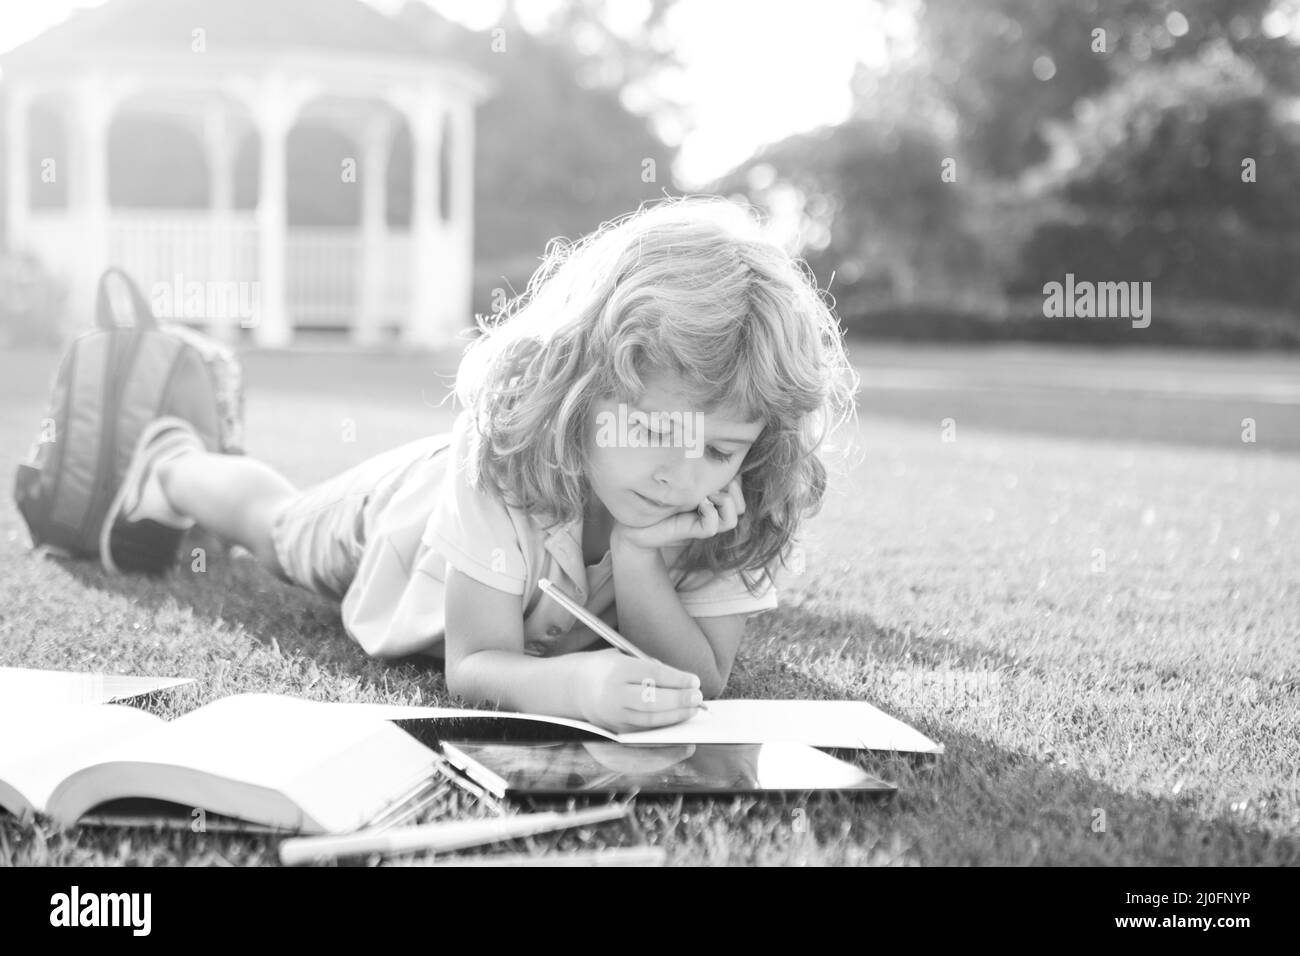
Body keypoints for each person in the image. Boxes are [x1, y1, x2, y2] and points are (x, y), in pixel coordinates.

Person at [99, 196, 859, 733]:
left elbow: (705, 678)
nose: (681, 476)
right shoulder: (497, 463)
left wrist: (638, 560)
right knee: (279, 530)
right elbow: (475, 664)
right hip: (405, 521)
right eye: (655, 430)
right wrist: (576, 685)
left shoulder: (727, 498)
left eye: (720, 449)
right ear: (585, 386)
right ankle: (173, 460)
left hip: (523, 561)